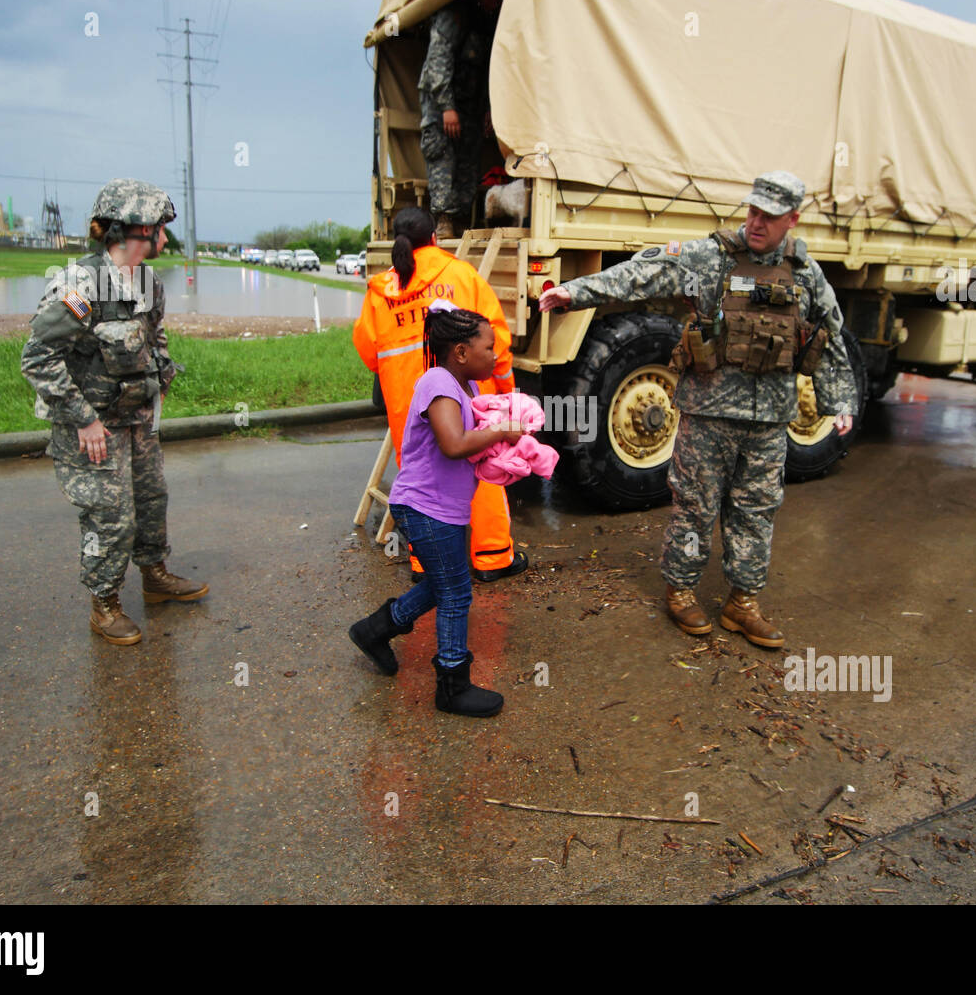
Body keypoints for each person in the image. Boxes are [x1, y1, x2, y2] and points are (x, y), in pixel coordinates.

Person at [539, 171, 858, 649]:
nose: (756, 222)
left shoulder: (806, 274)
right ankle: (682, 589)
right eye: (752, 211)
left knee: (757, 509)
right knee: (694, 505)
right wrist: (576, 292)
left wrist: (840, 401)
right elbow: (641, 273)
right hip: (708, 413)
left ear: (792, 218)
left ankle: (742, 601)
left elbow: (828, 335)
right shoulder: (711, 257)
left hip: (770, 419)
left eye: (769, 217)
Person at [20, 178, 208, 646]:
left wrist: (161, 374)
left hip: (137, 418)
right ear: (139, 228)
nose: (165, 237)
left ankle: (154, 576)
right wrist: (83, 418)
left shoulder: (147, 282)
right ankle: (104, 604)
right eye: (161, 228)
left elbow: (153, 335)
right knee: (110, 515)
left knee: (150, 501)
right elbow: (38, 356)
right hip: (93, 425)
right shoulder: (81, 285)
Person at [348, 301, 522, 716]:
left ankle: (374, 630)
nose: (495, 355)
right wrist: (500, 430)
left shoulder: (468, 388)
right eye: (488, 347)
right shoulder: (438, 383)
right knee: (456, 593)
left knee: (441, 584)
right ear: (461, 352)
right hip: (426, 509)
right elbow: (454, 444)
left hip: (446, 509)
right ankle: (451, 686)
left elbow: (470, 449)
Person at [353, 206, 527, 582]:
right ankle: (493, 557)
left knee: (420, 480)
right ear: (433, 238)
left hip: (407, 402)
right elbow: (496, 342)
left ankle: (425, 565)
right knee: (481, 469)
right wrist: (506, 391)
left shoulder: (382, 289)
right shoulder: (461, 276)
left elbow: (369, 352)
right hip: (465, 396)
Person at [417, 0, 504, 239]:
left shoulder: (491, 23)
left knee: (469, 159)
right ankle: (443, 220)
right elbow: (437, 62)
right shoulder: (454, 17)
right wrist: (446, 107)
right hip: (441, 104)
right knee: (442, 155)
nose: (495, 1)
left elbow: (495, 69)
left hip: (472, 107)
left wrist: (490, 109)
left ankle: (463, 220)